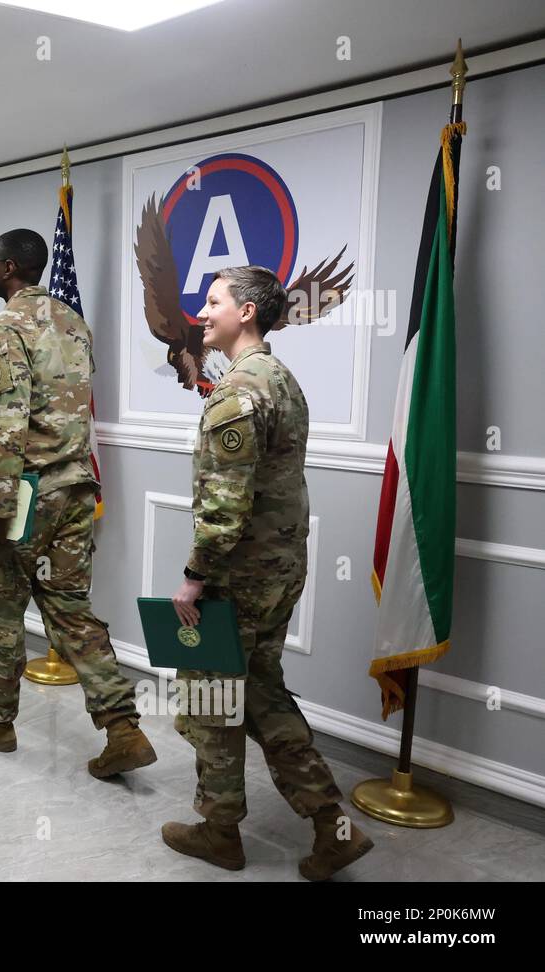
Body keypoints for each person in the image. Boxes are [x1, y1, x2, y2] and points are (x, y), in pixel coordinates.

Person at [165, 266, 372, 880]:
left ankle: (220, 831)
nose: (202, 313)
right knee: (259, 689)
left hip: (237, 576)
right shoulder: (282, 380)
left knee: (211, 697)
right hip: (279, 570)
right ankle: (334, 826)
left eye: (213, 301)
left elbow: (226, 506)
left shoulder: (237, 391)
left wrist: (193, 578)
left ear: (246, 313)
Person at [0, 229, 156, 780]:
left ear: (10, 268)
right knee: (68, 608)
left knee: (0, 603)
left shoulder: (4, 326)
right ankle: (123, 727)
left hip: (29, 492)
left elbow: (8, 423)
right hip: (78, 487)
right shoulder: (73, 322)